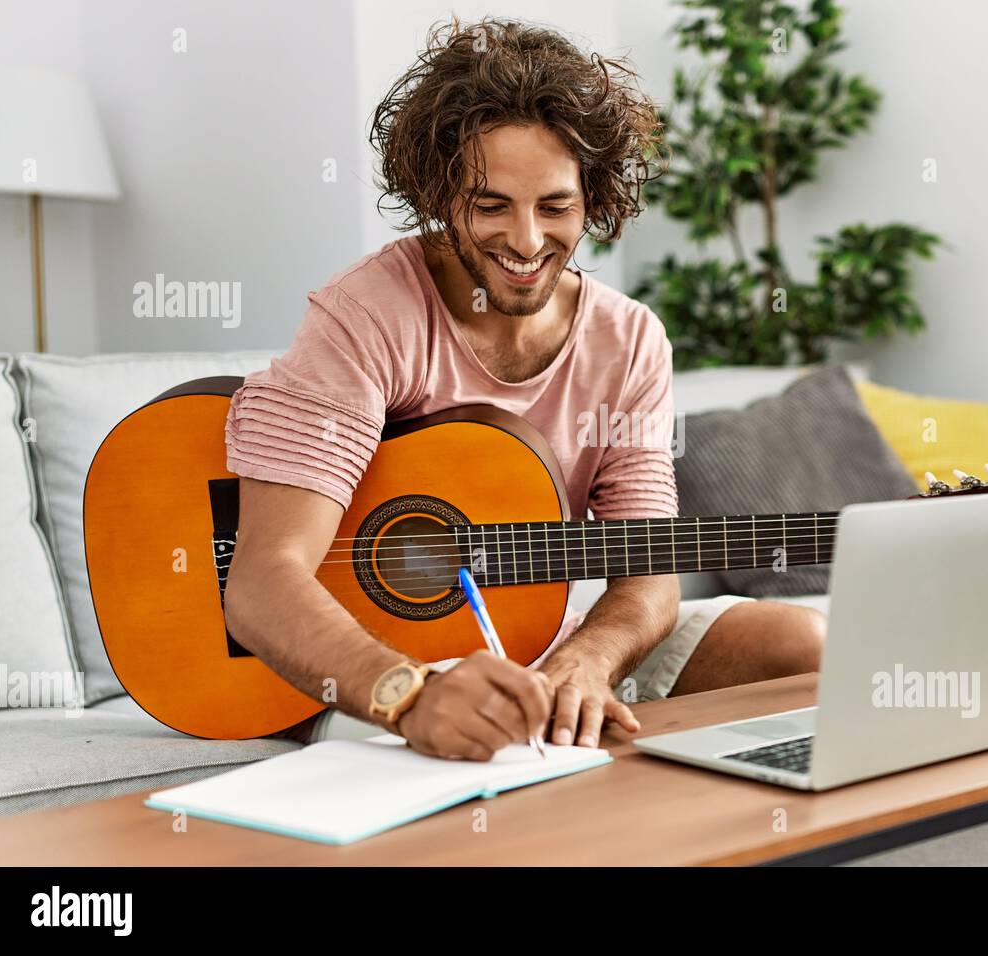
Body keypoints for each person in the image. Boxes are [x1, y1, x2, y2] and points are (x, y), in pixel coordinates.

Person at [223, 19, 826, 760]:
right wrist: (408, 695)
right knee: (497, 735)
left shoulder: (629, 340)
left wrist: (589, 660)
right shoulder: (367, 315)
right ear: (442, 195)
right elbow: (261, 580)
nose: (528, 240)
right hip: (375, 658)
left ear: (593, 198)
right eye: (490, 205)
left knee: (802, 643)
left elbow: (648, 573)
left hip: (539, 644)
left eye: (555, 206)